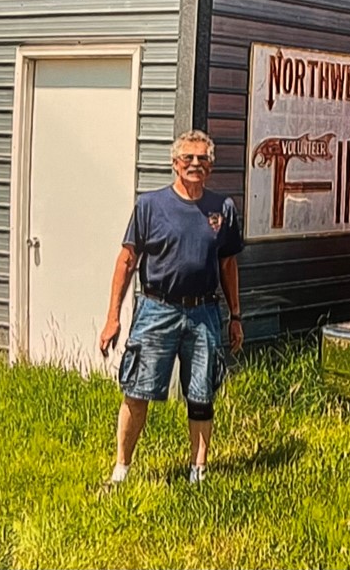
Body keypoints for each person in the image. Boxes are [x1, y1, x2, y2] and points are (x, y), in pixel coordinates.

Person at [98, 129, 244, 485]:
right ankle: (121, 470)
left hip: (204, 313)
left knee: (202, 393)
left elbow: (228, 265)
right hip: (156, 309)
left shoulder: (222, 209)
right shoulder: (150, 206)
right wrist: (112, 318)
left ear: (211, 165)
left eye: (203, 158)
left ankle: (198, 471)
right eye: (188, 158)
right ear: (174, 163)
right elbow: (127, 260)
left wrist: (235, 316)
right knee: (137, 391)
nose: (196, 164)